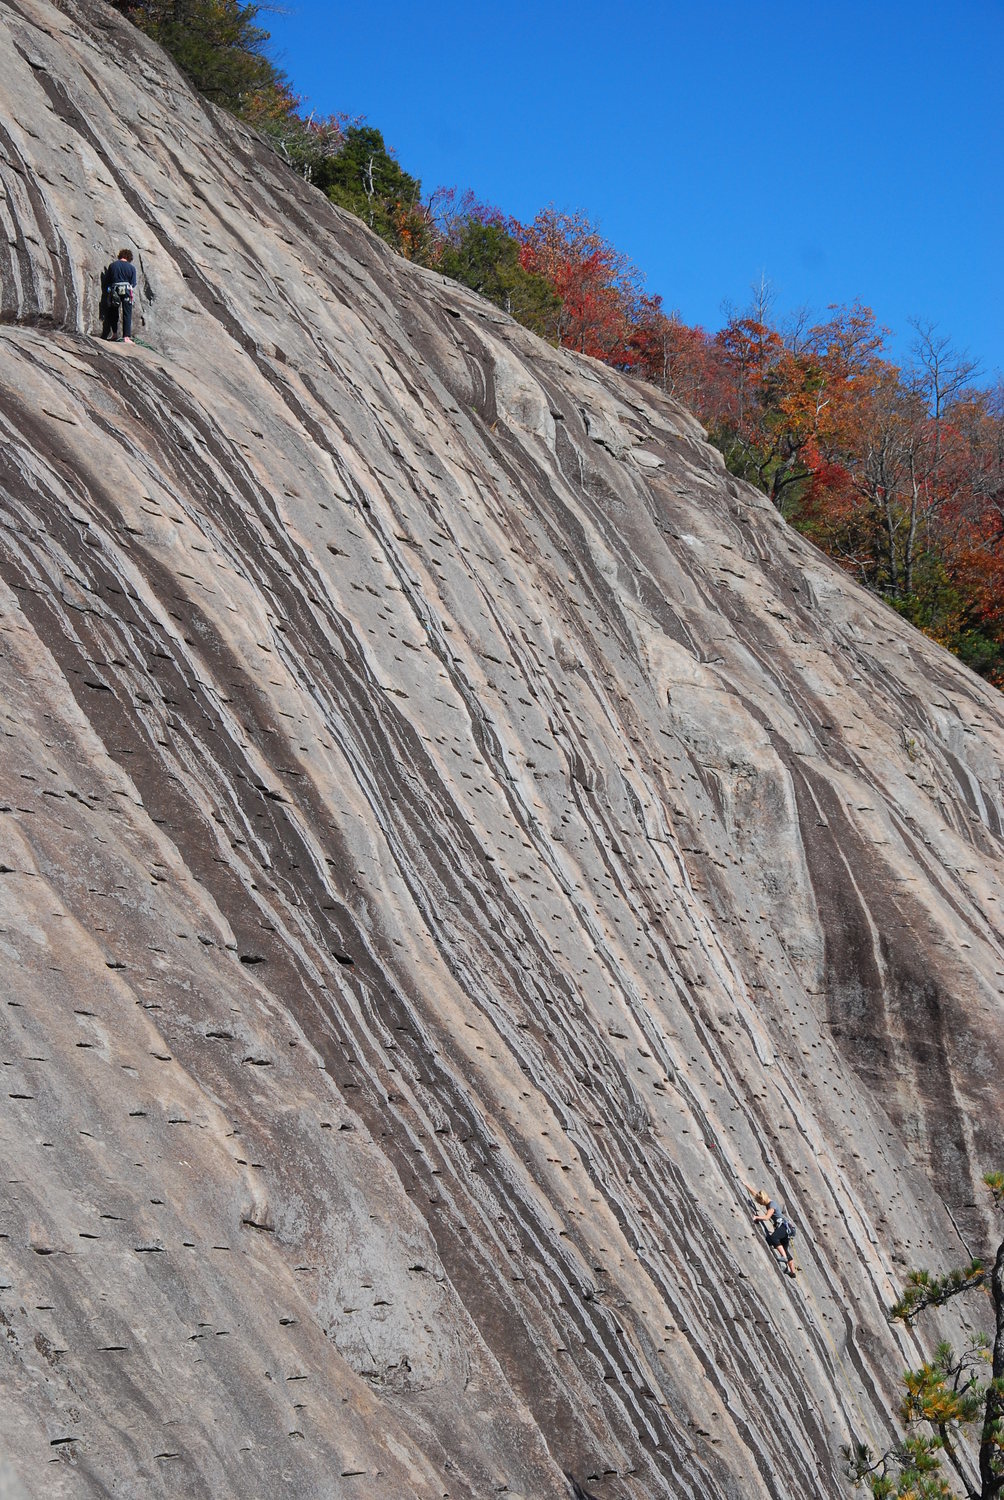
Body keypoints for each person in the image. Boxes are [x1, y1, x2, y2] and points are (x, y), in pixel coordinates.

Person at [751, 1187, 797, 1277]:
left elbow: (767, 1217)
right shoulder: (769, 1201)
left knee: (773, 1238)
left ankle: (784, 1258)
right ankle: (793, 1272)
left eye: (759, 1202)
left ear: (762, 1200)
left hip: (784, 1227)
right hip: (787, 1228)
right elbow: (755, 1194)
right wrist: (745, 1184)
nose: (759, 1203)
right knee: (784, 1249)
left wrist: (756, 1217)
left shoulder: (771, 1206)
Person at [100, 248, 137, 342]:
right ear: (129, 257)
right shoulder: (131, 268)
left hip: (115, 289)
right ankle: (126, 337)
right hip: (127, 290)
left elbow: (107, 280)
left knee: (113, 312)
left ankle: (114, 334)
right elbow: (133, 283)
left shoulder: (113, 265)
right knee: (127, 313)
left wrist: (109, 289)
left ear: (120, 255)